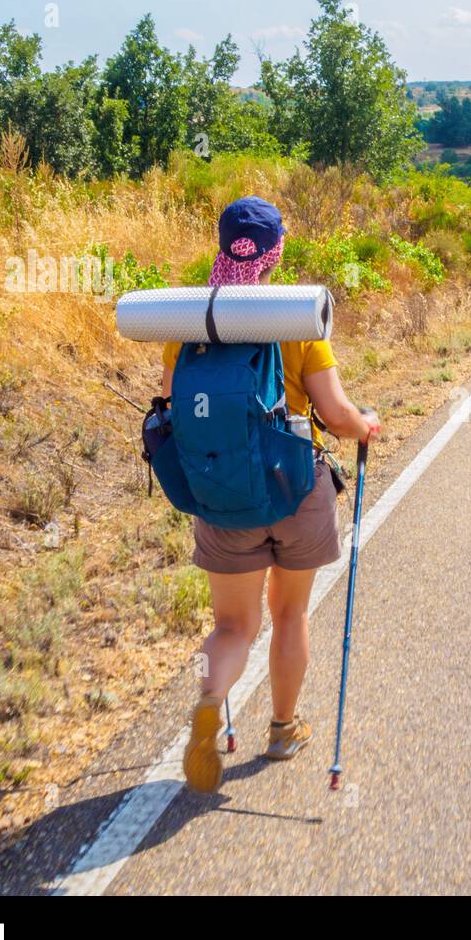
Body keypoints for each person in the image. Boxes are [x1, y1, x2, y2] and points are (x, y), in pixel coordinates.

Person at [163, 196, 380, 794]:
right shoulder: (294, 317)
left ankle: (212, 699)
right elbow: (335, 415)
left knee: (234, 624)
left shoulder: (185, 323)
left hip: (223, 493)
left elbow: (179, 410)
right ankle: (283, 731)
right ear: (275, 251)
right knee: (290, 614)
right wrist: (366, 426)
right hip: (296, 490)